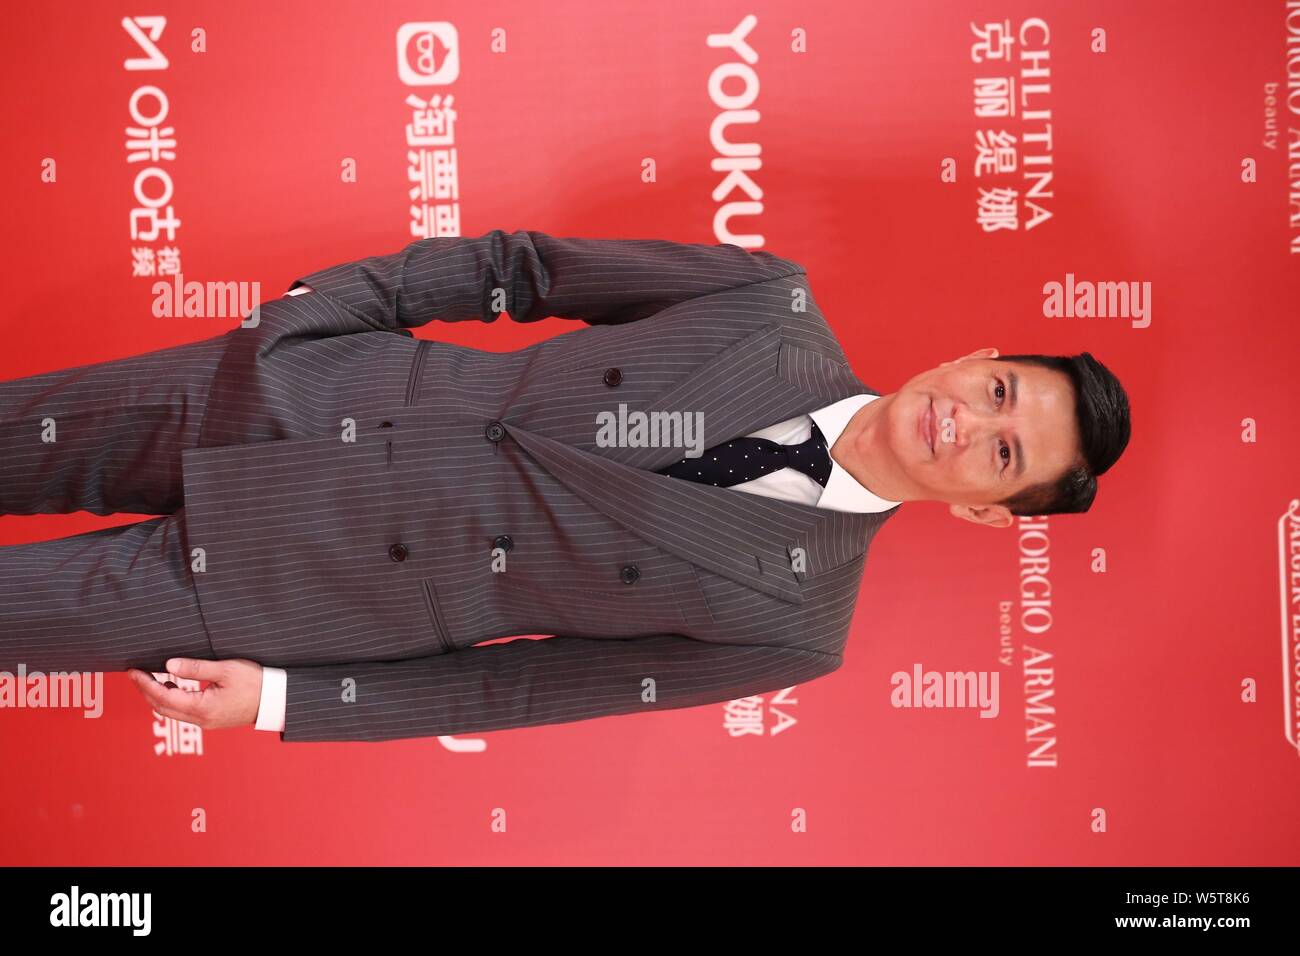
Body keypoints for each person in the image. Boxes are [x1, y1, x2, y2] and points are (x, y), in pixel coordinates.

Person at [0, 230, 1131, 741]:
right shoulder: (767, 300)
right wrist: (321, 304)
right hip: (287, 397)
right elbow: (521, 271)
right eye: (995, 390)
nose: (964, 420)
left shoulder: (797, 624)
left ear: (990, 510)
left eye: (1001, 451)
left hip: (300, 588)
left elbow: (521, 694)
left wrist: (287, 701)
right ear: (972, 355)